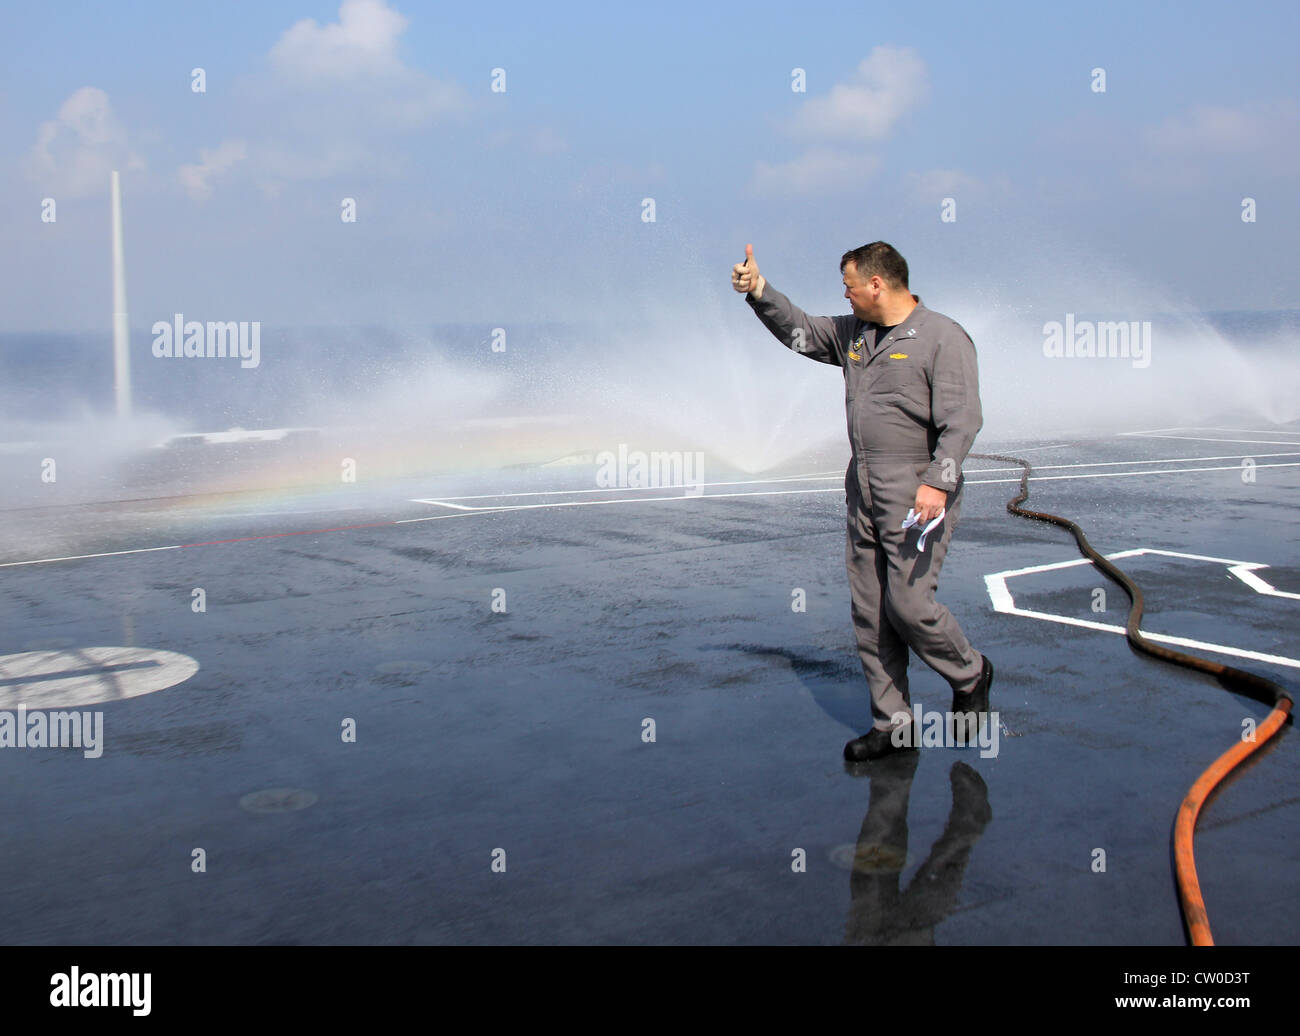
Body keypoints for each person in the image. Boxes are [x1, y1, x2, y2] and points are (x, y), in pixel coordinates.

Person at [732, 241, 993, 761]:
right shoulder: (854, 335)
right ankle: (893, 726)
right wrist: (759, 292)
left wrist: (939, 480)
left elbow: (962, 418)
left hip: (917, 490)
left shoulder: (942, 336)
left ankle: (970, 673)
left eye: (849, 286)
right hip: (864, 488)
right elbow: (801, 330)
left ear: (877, 283)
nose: (845, 296)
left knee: (911, 606)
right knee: (871, 612)